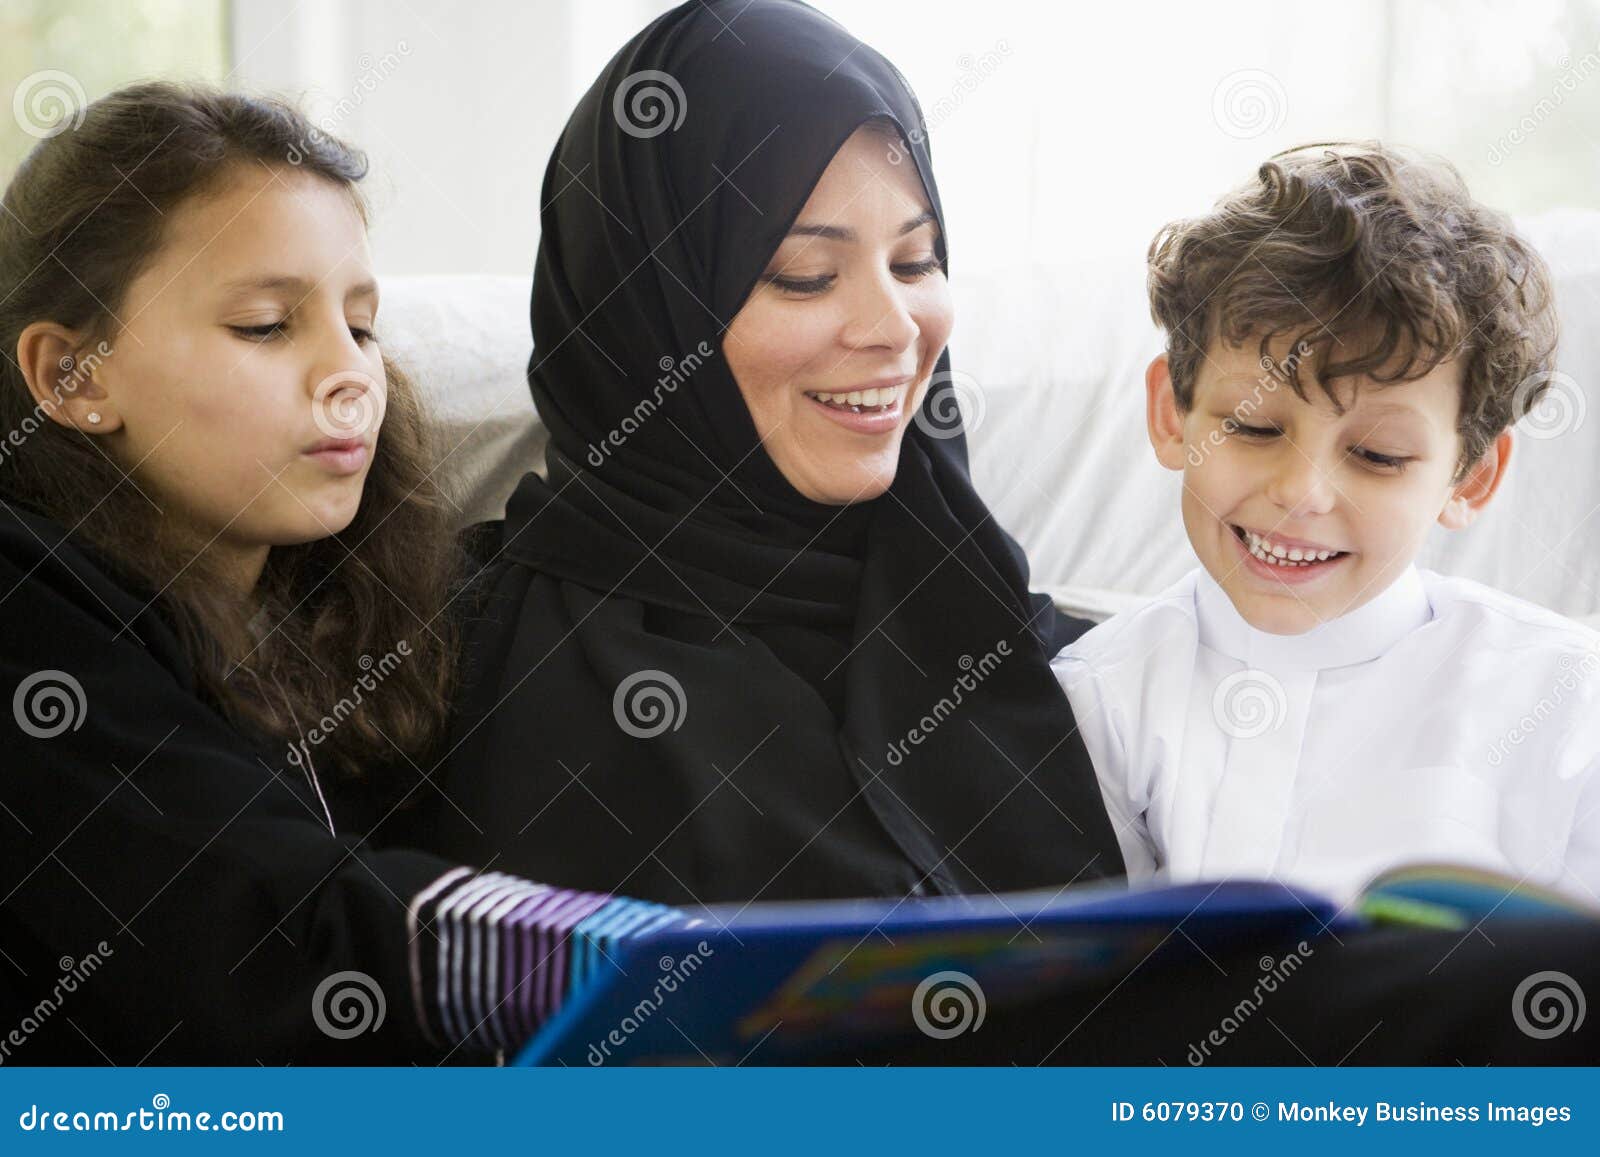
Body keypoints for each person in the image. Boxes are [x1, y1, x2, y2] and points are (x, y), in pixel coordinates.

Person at [0, 82, 680, 1065]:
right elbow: (276, 960)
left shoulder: (361, 613)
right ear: (74, 375)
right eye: (268, 325)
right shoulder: (25, 609)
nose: (350, 372)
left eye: (361, 326)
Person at [425, 0, 1125, 905]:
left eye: (915, 263)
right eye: (804, 276)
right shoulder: (438, 670)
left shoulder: (1043, 655)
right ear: (645, 309)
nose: (894, 328)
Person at [1053, 142, 1600, 905]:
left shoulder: (1573, 705)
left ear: (1470, 474)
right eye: (1252, 428)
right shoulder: (1100, 700)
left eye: (1376, 454)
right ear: (1171, 416)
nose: (1301, 492)